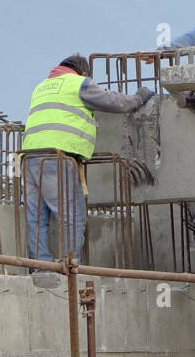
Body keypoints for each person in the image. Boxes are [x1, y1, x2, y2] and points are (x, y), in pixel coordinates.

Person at [21, 53, 153, 262]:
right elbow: (112, 101)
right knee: (70, 216)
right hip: (58, 156)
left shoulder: (41, 87)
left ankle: (41, 267)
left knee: (36, 218)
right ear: (83, 72)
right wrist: (138, 98)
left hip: (29, 157)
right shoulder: (79, 83)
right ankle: (71, 266)